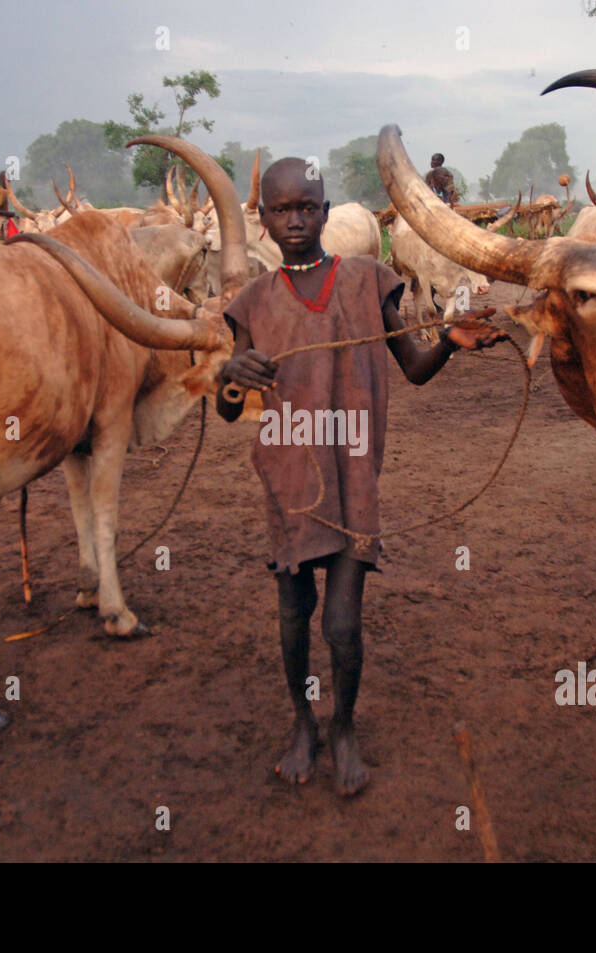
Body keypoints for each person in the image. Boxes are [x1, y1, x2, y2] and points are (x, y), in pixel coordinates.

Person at [215, 157, 505, 795]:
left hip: (354, 481)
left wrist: (452, 342)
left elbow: (415, 368)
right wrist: (229, 380)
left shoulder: (371, 281)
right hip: (291, 484)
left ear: (327, 210)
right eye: (282, 210)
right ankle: (302, 722)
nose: (296, 221)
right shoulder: (252, 303)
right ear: (262, 220)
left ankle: (342, 727)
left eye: (308, 208)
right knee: (294, 614)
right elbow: (229, 409)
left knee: (342, 622)